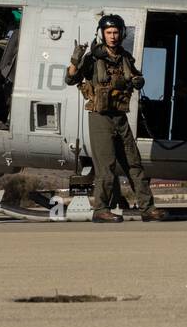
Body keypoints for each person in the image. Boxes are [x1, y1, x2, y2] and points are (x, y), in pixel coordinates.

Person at [66, 15, 167, 223]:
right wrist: (74, 62)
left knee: (134, 163)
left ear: (121, 33)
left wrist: (138, 80)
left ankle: (147, 208)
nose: (113, 36)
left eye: (116, 32)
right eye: (109, 32)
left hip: (120, 117)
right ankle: (101, 209)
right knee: (106, 165)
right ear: (102, 34)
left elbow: (136, 77)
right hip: (100, 118)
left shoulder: (125, 58)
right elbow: (70, 79)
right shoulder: (93, 58)